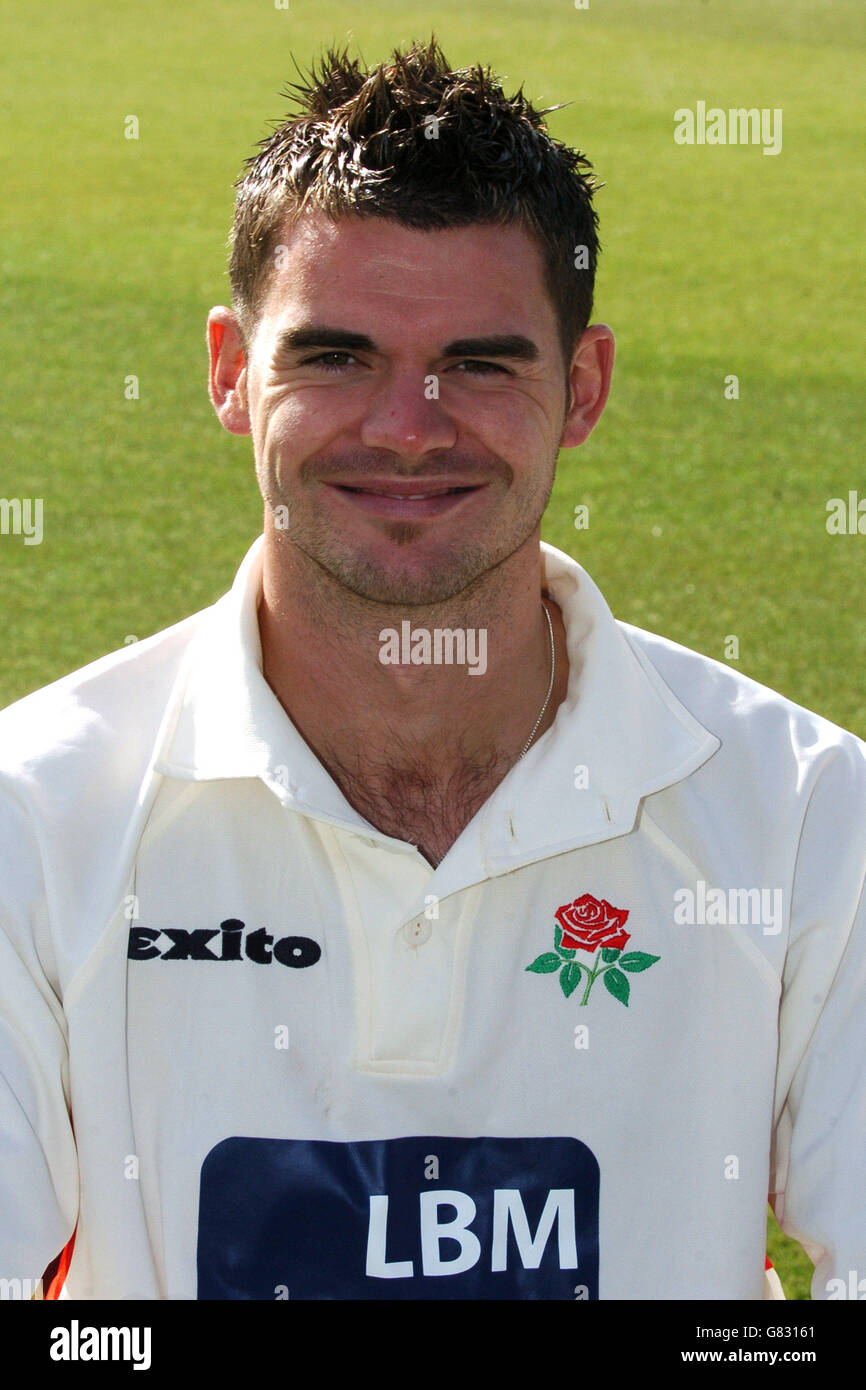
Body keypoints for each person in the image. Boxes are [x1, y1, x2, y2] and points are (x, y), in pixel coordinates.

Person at [1, 37, 863, 1302]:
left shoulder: (808, 819)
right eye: (333, 356)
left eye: (479, 363)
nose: (408, 428)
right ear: (231, 374)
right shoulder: (32, 818)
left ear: (582, 386)